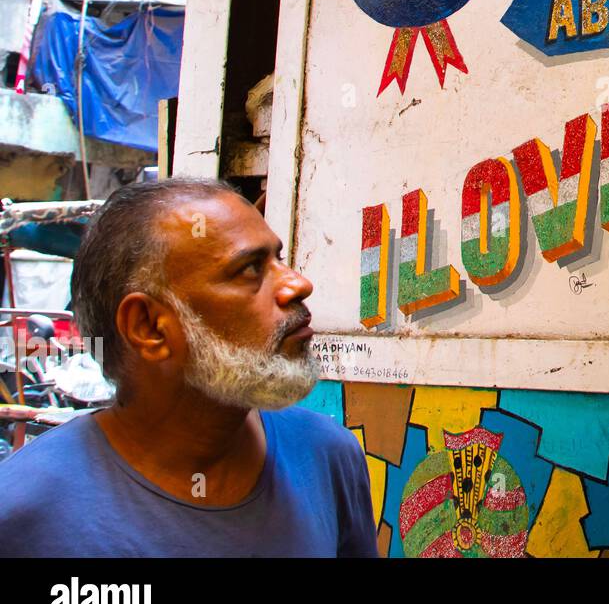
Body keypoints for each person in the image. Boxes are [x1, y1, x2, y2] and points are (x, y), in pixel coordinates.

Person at [0, 177, 377, 557]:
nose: (297, 284)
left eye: (279, 259)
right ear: (148, 326)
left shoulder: (327, 456)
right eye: (249, 269)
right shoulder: (25, 513)